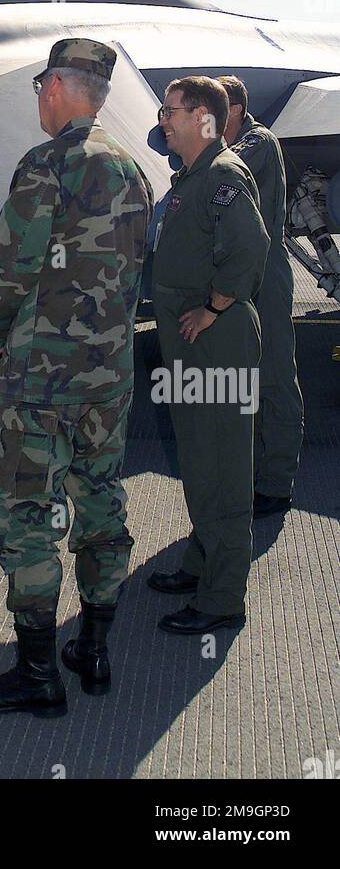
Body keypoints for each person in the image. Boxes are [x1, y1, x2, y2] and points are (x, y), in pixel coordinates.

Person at [0, 39, 154, 717]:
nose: (39, 98)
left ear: (60, 89)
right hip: (109, 375)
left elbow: (8, 267)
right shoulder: (134, 169)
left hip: (42, 378)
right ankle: (93, 649)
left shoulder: (47, 165)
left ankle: (37, 673)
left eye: (42, 85)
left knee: (26, 514)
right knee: (100, 500)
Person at [149, 77, 269, 635]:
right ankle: (202, 565)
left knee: (220, 464)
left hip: (215, 342)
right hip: (191, 342)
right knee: (200, 456)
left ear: (202, 117)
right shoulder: (192, 178)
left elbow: (250, 248)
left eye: (169, 110)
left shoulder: (222, 175)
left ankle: (223, 597)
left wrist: (215, 308)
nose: (162, 119)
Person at [217, 75, 303, 517]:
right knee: (240, 382)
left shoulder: (258, 141)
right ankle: (248, 476)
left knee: (273, 378)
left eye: (211, 106)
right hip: (238, 273)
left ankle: (276, 482)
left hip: (265, 273)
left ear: (232, 109)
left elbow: (220, 169)